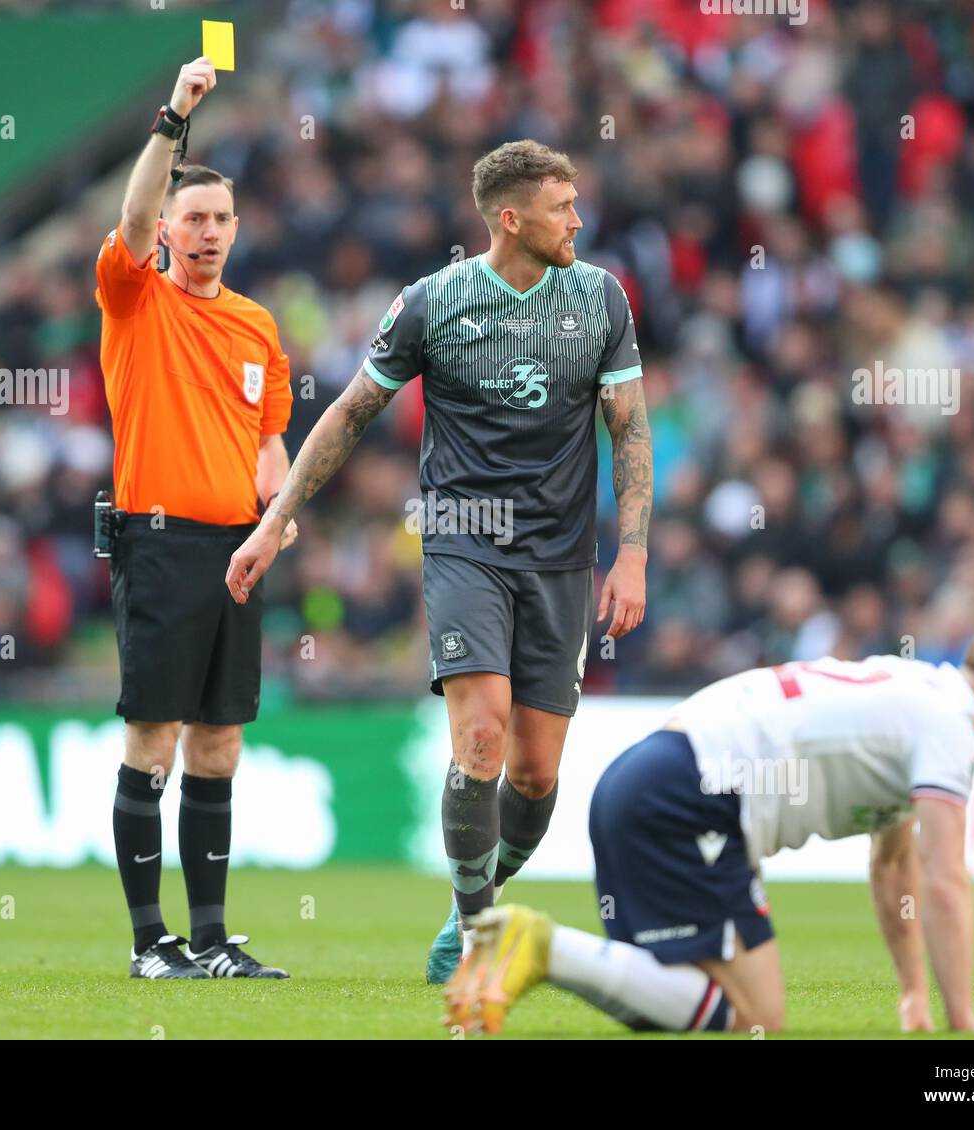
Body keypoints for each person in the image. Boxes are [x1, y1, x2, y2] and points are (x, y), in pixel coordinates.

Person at [224, 140, 653, 983]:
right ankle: (479, 930)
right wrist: (275, 521)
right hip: (462, 539)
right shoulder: (432, 304)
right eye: (562, 206)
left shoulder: (600, 298)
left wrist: (632, 553)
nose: (577, 219)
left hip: (562, 557)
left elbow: (628, 427)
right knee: (482, 736)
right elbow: (351, 412)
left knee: (534, 773)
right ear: (511, 217)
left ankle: (475, 897)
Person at [445, 617, 974, 1035]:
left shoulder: (919, 693)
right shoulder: (949, 727)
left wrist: (917, 996)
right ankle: (544, 944)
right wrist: (964, 1020)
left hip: (647, 780)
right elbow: (944, 880)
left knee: (679, 1000)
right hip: (692, 799)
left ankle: (542, 948)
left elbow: (896, 867)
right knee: (756, 1017)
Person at [95, 57, 295, 980]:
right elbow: (130, 216)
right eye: (192, 221)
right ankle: (149, 944)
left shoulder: (257, 325)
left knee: (219, 743)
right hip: (162, 540)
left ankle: (210, 940)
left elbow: (268, 444)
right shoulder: (135, 296)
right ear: (166, 232)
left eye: (220, 221)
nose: (206, 234)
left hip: (236, 551)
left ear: (236, 230)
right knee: (156, 740)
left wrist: (277, 516)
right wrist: (176, 113)